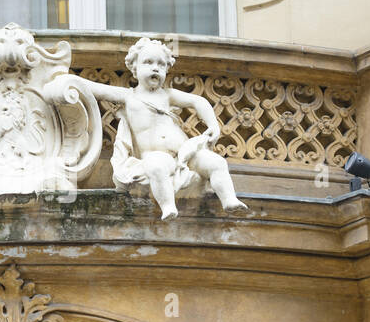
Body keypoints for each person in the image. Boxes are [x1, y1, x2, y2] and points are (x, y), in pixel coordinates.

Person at [82, 37, 248, 221]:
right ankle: (168, 206)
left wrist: (213, 125)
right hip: (156, 155)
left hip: (185, 152)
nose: (155, 68)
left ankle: (229, 199)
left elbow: (198, 101)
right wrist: (67, 80)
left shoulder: (168, 95)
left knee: (216, 163)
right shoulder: (129, 97)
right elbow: (94, 88)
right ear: (134, 69)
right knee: (156, 167)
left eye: (161, 65)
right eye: (148, 62)